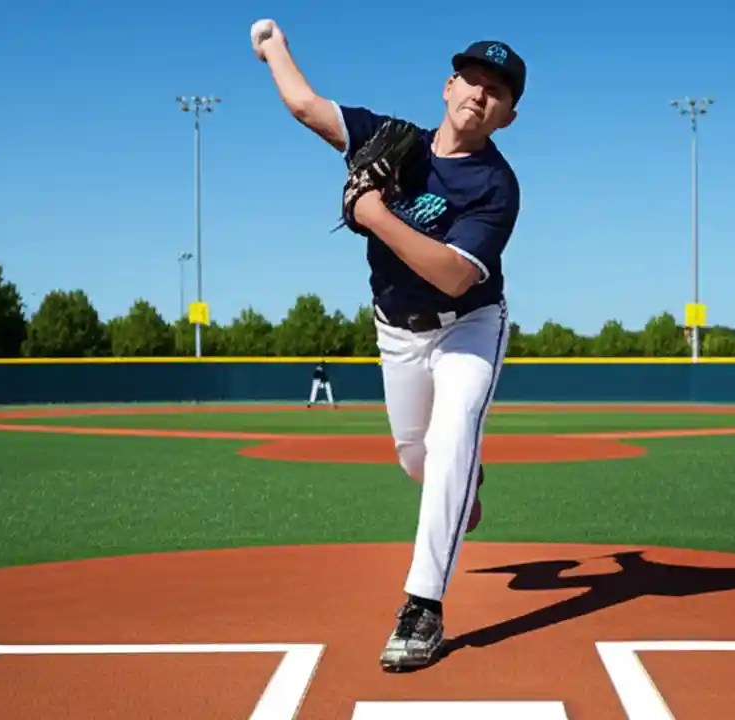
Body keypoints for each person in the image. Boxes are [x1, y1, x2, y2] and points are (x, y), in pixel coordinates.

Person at [253, 22, 525, 671]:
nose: (480, 95)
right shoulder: (392, 142)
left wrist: (372, 214)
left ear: (509, 115)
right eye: (472, 80)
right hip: (397, 331)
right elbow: (305, 106)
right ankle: (465, 488)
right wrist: (273, 48)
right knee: (416, 460)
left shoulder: (496, 186)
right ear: (448, 85)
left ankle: (422, 606)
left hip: (470, 324)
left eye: (497, 91)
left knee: (454, 432)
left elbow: (457, 274)